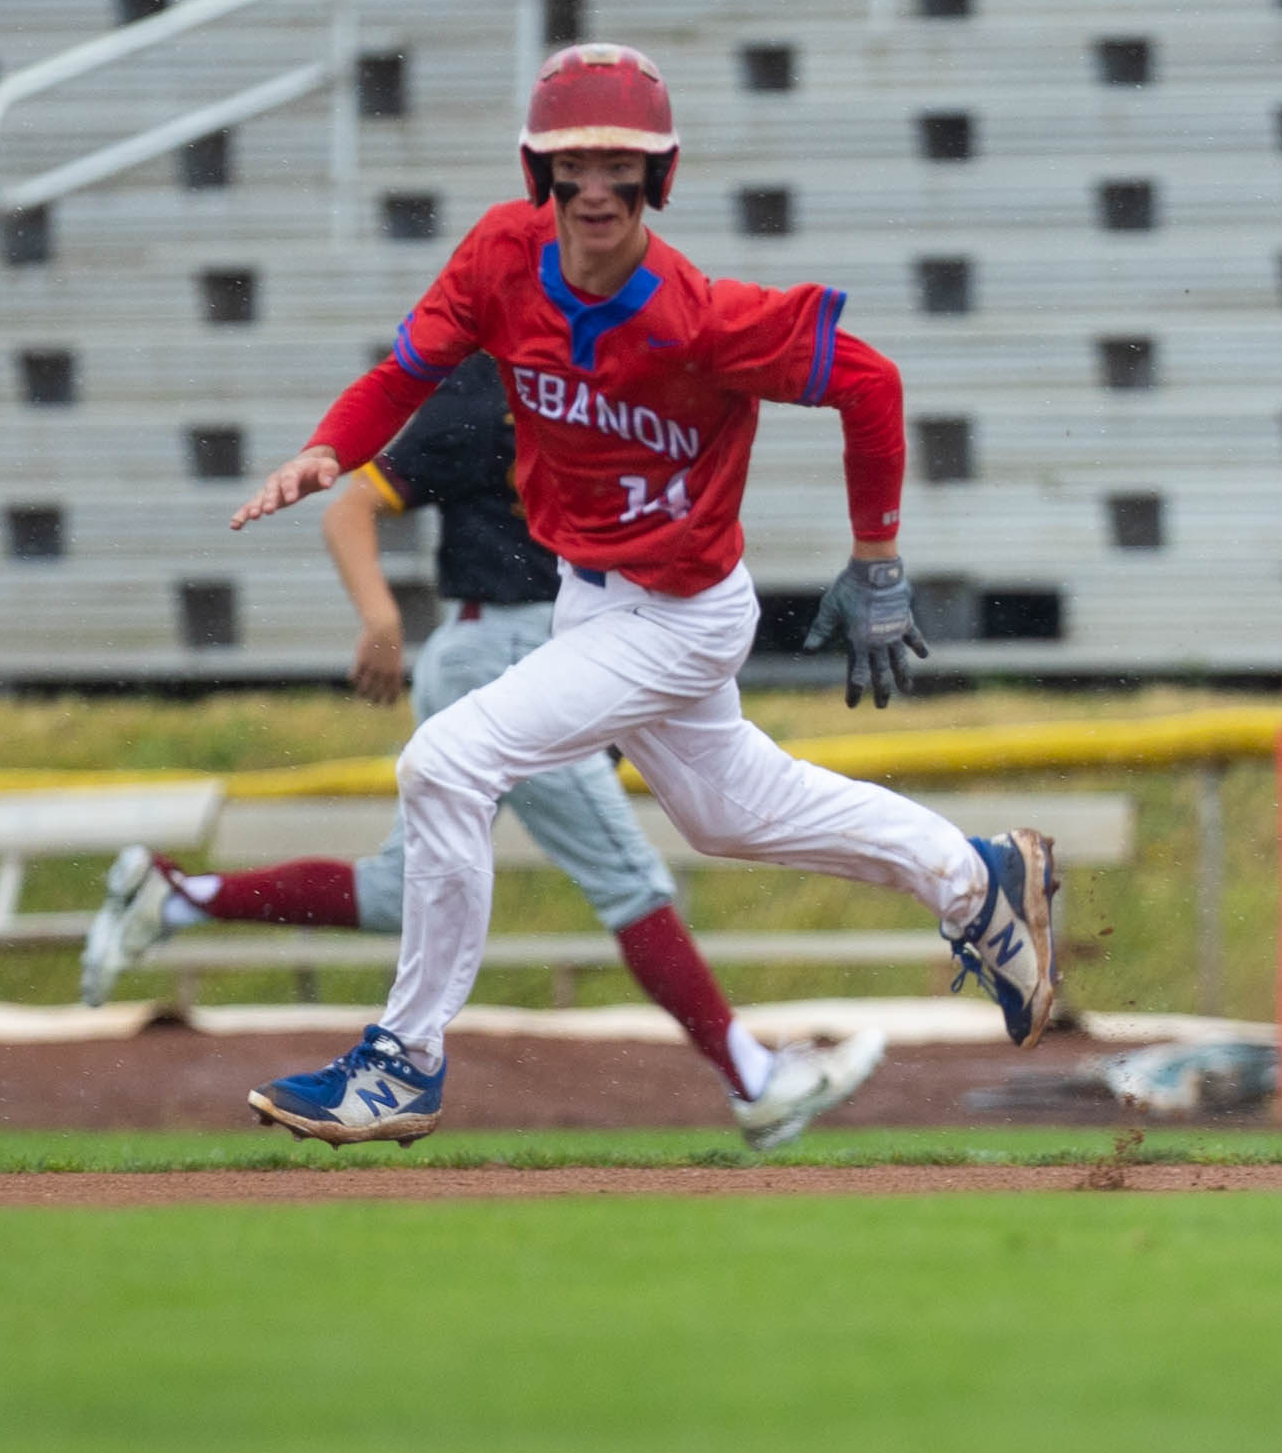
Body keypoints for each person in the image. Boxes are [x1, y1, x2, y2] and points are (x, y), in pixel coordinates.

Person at [226, 41, 1060, 1147]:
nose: (595, 187)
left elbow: (870, 381)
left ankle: (403, 1060)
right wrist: (330, 448)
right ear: (539, 171)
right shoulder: (501, 255)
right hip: (592, 600)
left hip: (677, 613)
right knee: (727, 814)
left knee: (444, 760)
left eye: (620, 165)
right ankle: (974, 876)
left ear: (656, 177)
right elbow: (403, 374)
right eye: (572, 163)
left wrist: (877, 557)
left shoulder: (699, 316)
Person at [81, 351, 887, 1150]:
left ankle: (179, 895)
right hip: (508, 646)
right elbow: (350, 508)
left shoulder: (592, 361)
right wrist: (381, 617)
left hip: (558, 645)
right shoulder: (490, 383)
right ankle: (754, 1077)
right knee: (627, 874)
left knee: (398, 891)